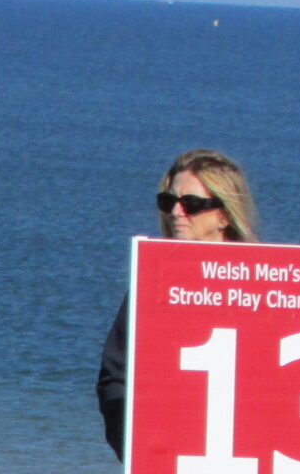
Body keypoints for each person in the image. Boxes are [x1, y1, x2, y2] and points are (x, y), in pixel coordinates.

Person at [96, 150, 261, 457]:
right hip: (161, 462)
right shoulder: (153, 283)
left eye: (193, 205)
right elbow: (114, 376)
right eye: (168, 201)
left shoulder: (263, 287)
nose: (176, 212)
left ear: (225, 215)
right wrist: (135, 453)